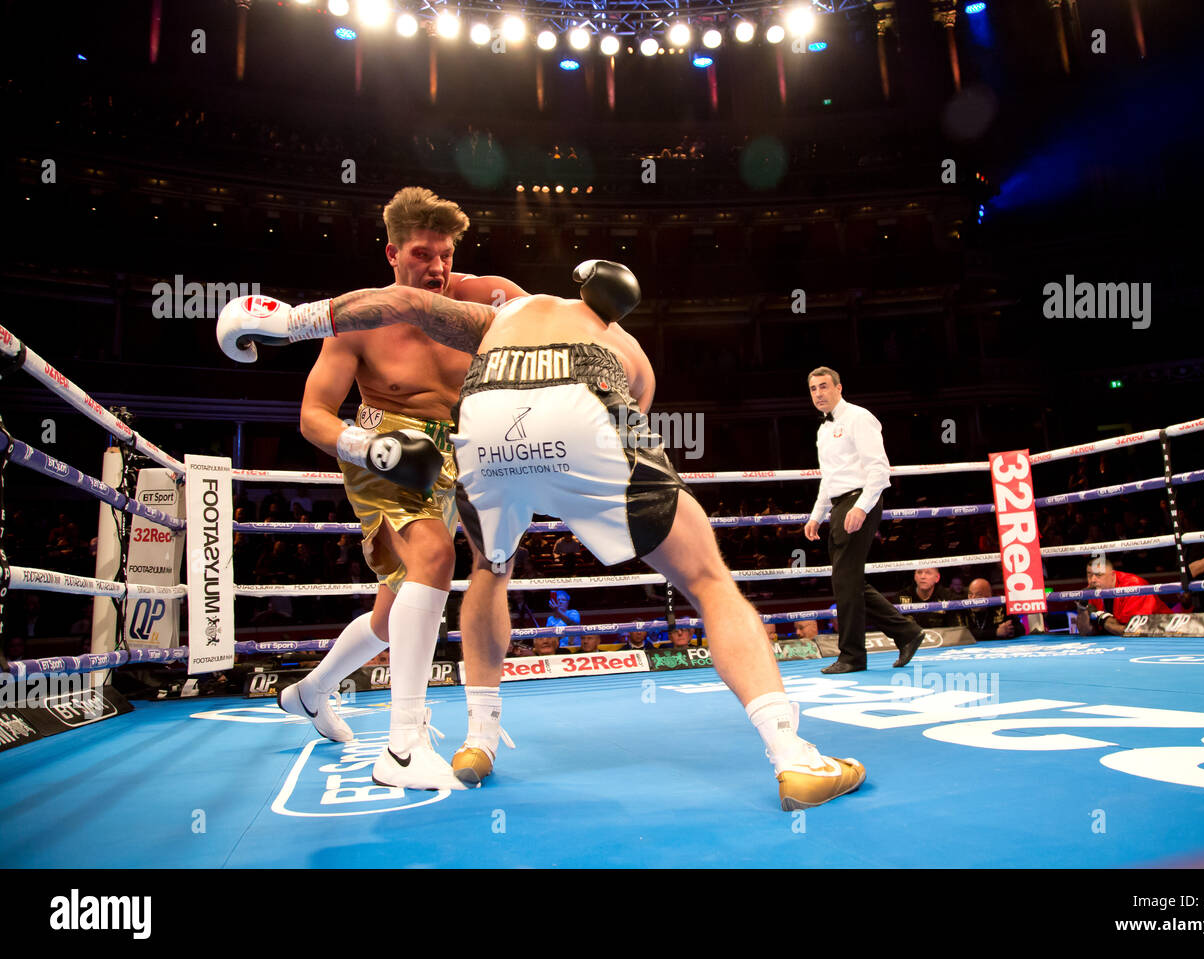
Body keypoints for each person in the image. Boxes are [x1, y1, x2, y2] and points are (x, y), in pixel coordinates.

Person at [218, 260, 865, 810]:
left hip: (486, 411)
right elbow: (628, 413)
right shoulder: (619, 339)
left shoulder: (503, 315)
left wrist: (286, 320)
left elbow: (403, 303)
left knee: (490, 569)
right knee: (706, 577)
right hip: (589, 397)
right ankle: (792, 752)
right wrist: (586, 496)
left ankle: (479, 738)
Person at [224, 187, 527, 791]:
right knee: (435, 557)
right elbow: (314, 416)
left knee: (395, 613)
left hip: (458, 449)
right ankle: (403, 745)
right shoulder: (358, 324)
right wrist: (373, 448)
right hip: (382, 440)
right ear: (391, 253)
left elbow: (549, 333)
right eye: (422, 254)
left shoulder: (488, 296)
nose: (437, 268)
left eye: (445, 255)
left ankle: (311, 692)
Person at [802, 367, 924, 674]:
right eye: (814, 389)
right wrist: (817, 515)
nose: (819, 393)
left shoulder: (859, 418)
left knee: (846, 581)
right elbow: (828, 479)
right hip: (840, 504)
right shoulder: (823, 430)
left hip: (860, 501)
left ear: (839, 388)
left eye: (824, 387)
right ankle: (906, 632)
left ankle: (853, 656)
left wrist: (861, 506)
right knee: (849, 582)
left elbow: (879, 469)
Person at [1076, 555, 1172, 636]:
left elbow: (1133, 631)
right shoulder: (1092, 589)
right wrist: (1081, 609)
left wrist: (1101, 618)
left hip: (1166, 632)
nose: (1092, 580)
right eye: (1089, 575)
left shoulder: (1134, 587)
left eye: (1098, 575)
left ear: (1112, 575)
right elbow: (1086, 632)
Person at [898, 567, 964, 629]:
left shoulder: (947, 598)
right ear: (915, 576)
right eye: (919, 572)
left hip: (941, 639)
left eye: (928, 573)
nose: (923, 577)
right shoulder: (901, 597)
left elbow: (956, 629)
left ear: (937, 578)